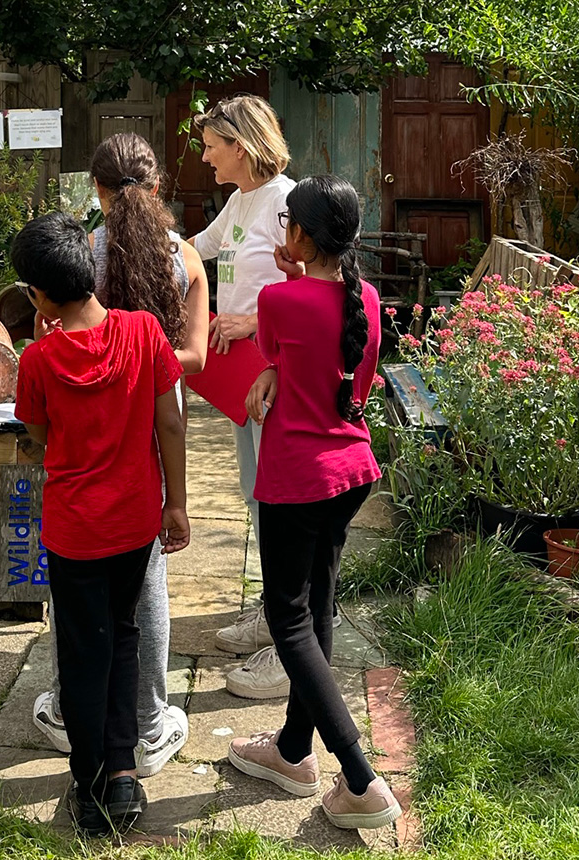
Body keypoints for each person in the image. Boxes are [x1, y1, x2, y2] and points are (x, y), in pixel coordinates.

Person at [226, 175, 401, 830]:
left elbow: (274, 348)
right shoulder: (370, 300)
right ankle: (294, 752)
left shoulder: (279, 300)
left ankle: (360, 778)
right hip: (352, 470)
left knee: (288, 618)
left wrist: (272, 356)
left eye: (286, 226)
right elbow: (343, 368)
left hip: (297, 475)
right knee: (317, 605)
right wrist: (279, 365)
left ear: (298, 236)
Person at [32, 132, 208, 776]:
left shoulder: (83, 254)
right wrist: (147, 358)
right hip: (156, 410)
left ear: (97, 191)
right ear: (156, 186)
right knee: (145, 578)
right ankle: (150, 718)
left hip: (90, 412)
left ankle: (71, 711)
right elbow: (196, 358)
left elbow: (59, 333)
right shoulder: (184, 257)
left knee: (79, 592)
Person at [12, 212, 191, 836]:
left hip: (73, 530)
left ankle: (86, 785)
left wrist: (45, 339)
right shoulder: (143, 333)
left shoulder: (36, 361)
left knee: (81, 653)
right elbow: (170, 423)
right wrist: (178, 503)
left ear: (38, 295)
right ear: (93, 274)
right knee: (125, 640)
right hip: (136, 522)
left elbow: (37, 435)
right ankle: (122, 776)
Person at [188, 95, 335, 699]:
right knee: (255, 493)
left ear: (241, 146)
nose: (205, 157)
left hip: (279, 372)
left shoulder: (290, 204)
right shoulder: (240, 200)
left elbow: (315, 282)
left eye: (212, 146)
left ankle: (290, 640)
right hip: (242, 372)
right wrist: (141, 243)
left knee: (284, 504)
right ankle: (275, 609)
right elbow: (197, 247)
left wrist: (249, 323)